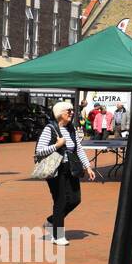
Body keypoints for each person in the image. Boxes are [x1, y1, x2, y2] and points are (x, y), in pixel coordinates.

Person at [35, 100, 96, 245]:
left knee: (75, 199)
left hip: (71, 168)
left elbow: (78, 149)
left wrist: (88, 167)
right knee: (60, 200)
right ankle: (58, 235)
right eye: (68, 111)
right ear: (59, 113)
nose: (72, 113)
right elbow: (39, 150)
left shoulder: (71, 129)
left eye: (72, 111)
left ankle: (51, 221)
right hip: (55, 169)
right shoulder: (50, 128)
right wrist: (57, 145)